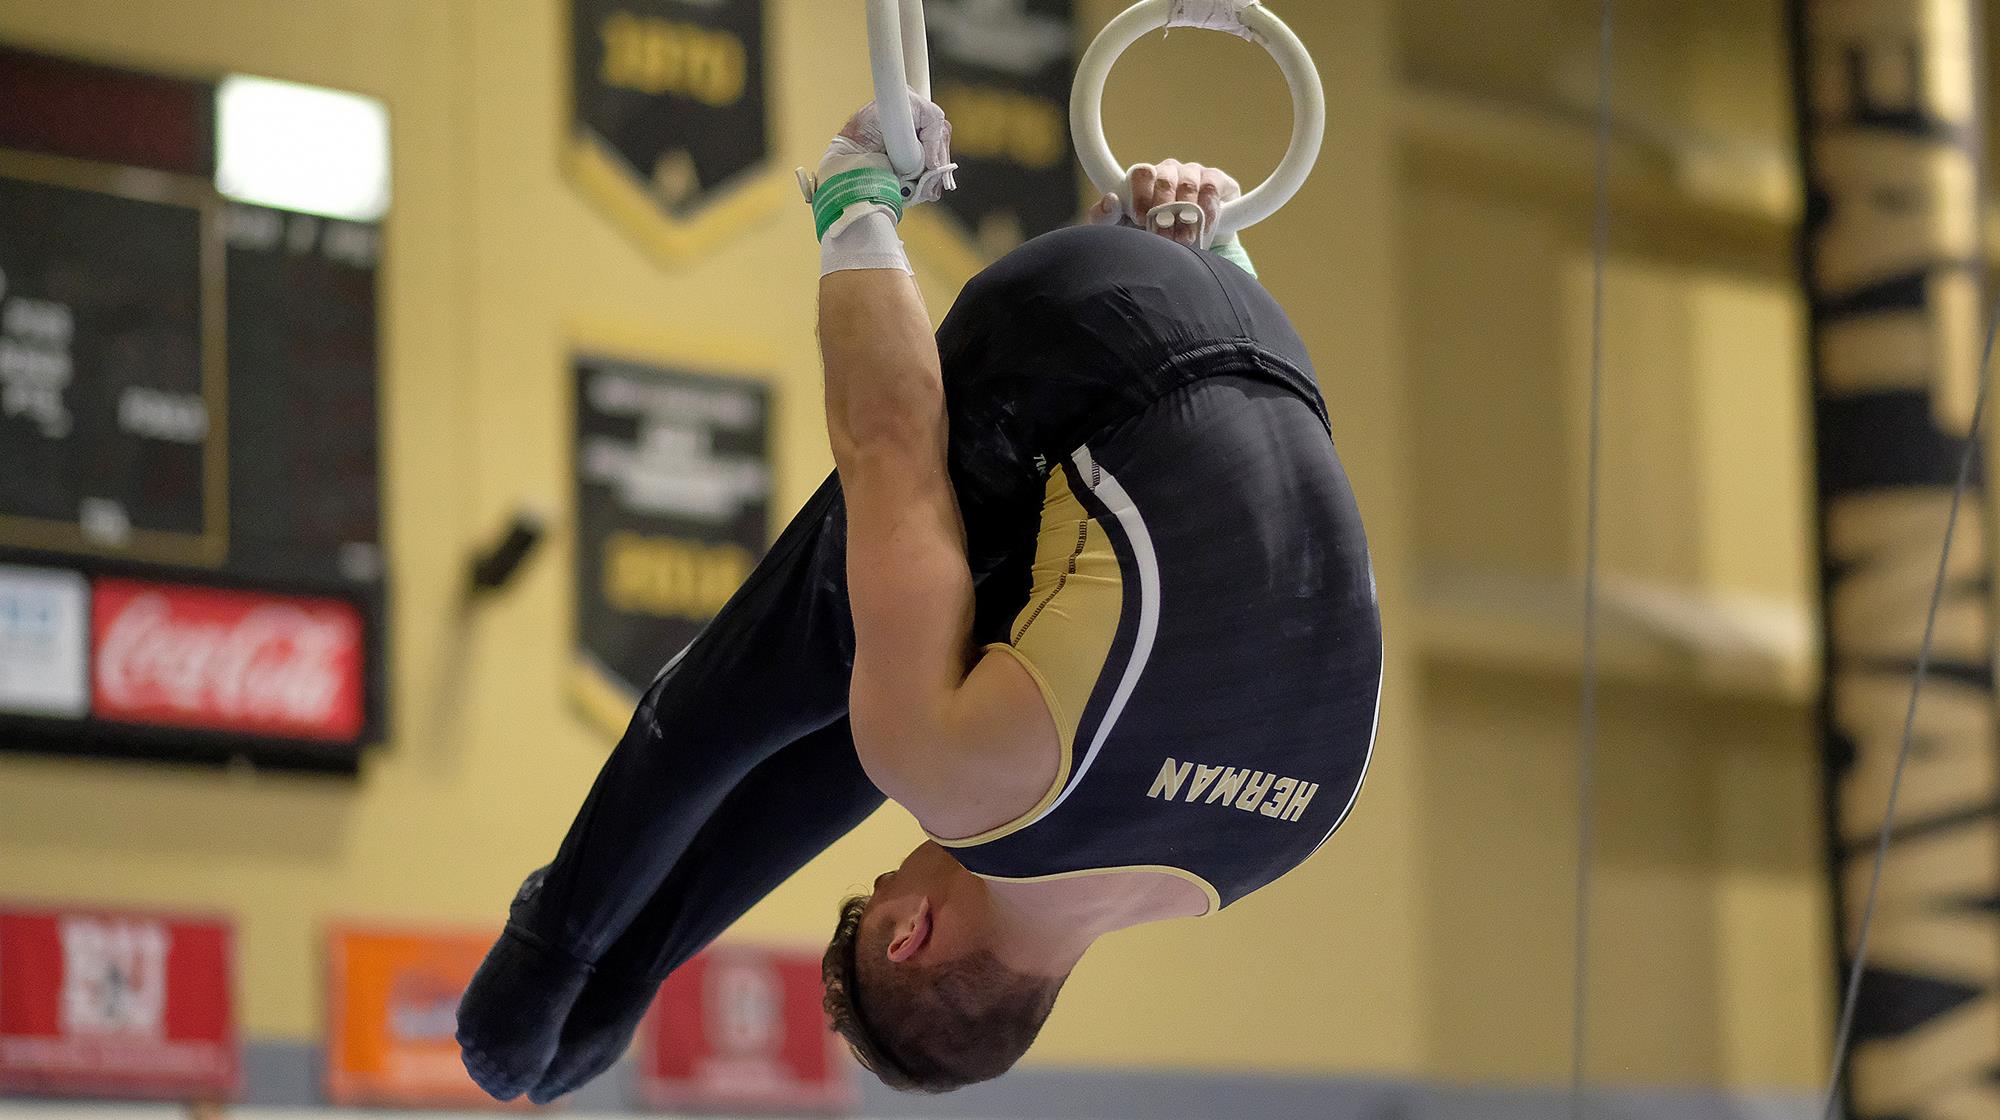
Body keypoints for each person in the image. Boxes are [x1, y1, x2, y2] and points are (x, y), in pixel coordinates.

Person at [455, 94, 1381, 1102]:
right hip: (1087, 332)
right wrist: (856, 205)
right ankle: (547, 968)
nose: (897, 856)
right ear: (911, 935)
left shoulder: (1278, 846)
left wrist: (1208, 264)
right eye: (884, 885)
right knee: (771, 698)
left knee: (933, 686)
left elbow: (1272, 518)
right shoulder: (973, 783)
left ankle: (616, 973)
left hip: (1267, 343)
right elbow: (886, 434)